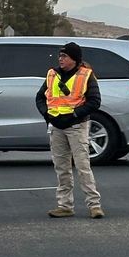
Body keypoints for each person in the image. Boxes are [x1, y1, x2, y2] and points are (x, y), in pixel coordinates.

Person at [35, 42, 104, 219]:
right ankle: (65, 205)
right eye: (60, 56)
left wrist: (74, 115)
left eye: (64, 56)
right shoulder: (52, 74)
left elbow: (94, 101)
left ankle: (94, 205)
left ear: (74, 59)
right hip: (56, 126)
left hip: (76, 126)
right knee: (61, 168)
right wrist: (48, 116)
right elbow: (40, 98)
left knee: (83, 166)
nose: (60, 59)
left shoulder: (85, 75)